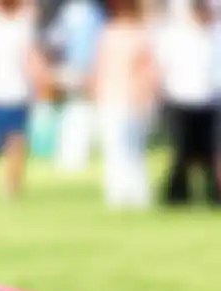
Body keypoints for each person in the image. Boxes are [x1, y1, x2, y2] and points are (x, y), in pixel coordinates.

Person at [0, 0, 50, 198]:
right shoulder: (21, 26)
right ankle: (12, 185)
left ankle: (10, 184)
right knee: (15, 142)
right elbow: (30, 58)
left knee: (10, 142)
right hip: (14, 90)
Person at [91, 0, 157, 208]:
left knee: (133, 149)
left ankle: (137, 193)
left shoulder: (140, 35)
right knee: (115, 148)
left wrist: (146, 94)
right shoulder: (109, 33)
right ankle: (118, 193)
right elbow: (99, 68)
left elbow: (149, 70)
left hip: (133, 99)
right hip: (112, 98)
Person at [154, 0, 219, 205]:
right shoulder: (176, 36)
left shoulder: (216, 35)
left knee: (211, 153)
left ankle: (213, 195)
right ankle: (177, 195)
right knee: (182, 151)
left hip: (211, 101)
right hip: (181, 99)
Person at [47, 0, 104, 171]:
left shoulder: (70, 12)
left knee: (73, 111)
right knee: (80, 112)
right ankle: (74, 155)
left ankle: (69, 155)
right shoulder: (93, 13)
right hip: (83, 67)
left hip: (73, 67)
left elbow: (55, 39)